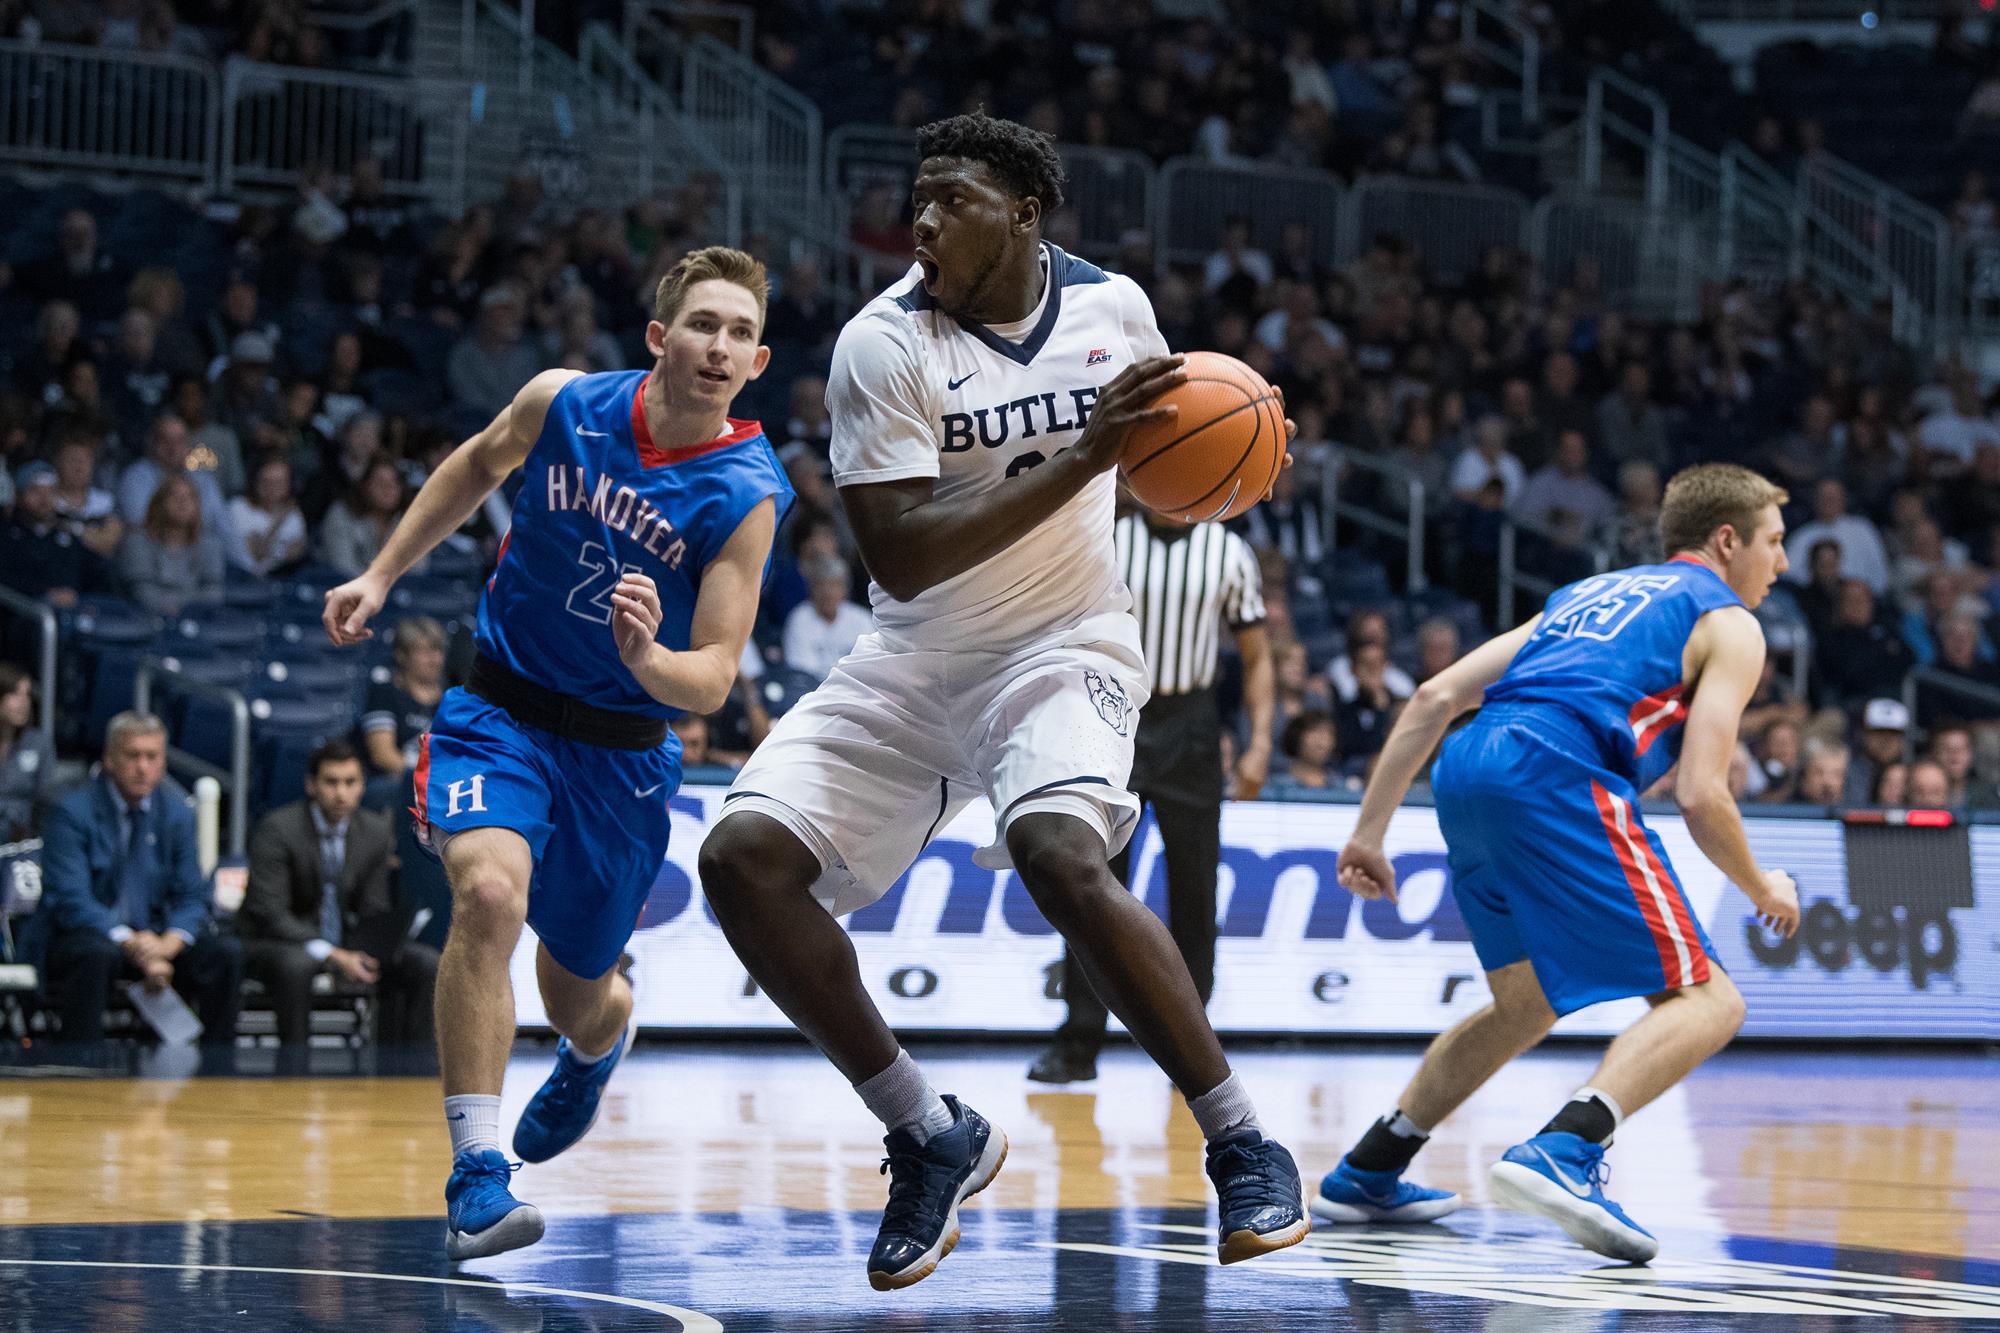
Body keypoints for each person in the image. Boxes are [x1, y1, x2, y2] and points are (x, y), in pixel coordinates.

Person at [697, 113, 1309, 1290]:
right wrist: (1082, 457)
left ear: (1023, 213)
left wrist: (1238, 444)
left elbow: (1172, 451)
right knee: (739, 860)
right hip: (916, 653)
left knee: (1054, 851)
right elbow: (902, 558)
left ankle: (1238, 1137)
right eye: (914, 198)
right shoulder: (882, 343)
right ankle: (928, 1130)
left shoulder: (1115, 311)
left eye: (950, 198)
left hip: (1062, 642)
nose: (921, 220)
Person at [323, 245, 790, 1262]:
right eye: (703, 325)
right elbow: (477, 460)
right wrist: (382, 573)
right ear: (660, 338)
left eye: (741, 333)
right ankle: (477, 1172)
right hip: (501, 709)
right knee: (487, 895)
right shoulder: (563, 403)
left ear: (757, 363)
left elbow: (711, 678)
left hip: (622, 755)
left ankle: (598, 1038)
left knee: (576, 988)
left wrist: (646, 656)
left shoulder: (746, 491)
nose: (720, 345)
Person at [1314, 463, 1801, 1264]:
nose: (1779, 563)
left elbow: (1436, 695)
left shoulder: (1586, 592)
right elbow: (1704, 794)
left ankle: (1370, 1166)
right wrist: (1761, 885)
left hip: (1467, 767)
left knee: (1526, 1000)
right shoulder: (1727, 620)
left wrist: (1369, 831)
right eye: (1774, 542)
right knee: (1710, 1000)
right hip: (1557, 767)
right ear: (1726, 539)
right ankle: (1565, 1150)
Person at [1028, 504, 1272, 1085]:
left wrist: (1260, 740)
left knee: (1196, 891)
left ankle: (1191, 1054)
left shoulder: (1229, 551)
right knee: (1091, 885)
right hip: (1114, 714)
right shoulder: (1107, 536)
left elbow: (1258, 656)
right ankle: (1079, 1042)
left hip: (1192, 725)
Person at [38, 712, 243, 1043]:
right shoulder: (71, 811)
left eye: (152, 757)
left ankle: (217, 1071)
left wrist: (168, 945)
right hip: (90, 934)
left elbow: (192, 895)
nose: (143, 767)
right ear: (109, 758)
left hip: (157, 937)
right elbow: (70, 898)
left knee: (224, 953)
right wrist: (133, 944)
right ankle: (81, 1064)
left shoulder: (178, 813)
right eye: (133, 755)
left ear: (163, 762)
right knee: (96, 955)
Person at [240, 741, 439, 1046]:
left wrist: (373, 947)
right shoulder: (278, 829)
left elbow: (373, 908)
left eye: (350, 782)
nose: (341, 793)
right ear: (311, 785)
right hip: (281, 942)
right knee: (297, 965)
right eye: (331, 782)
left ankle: (407, 1071)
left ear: (362, 786)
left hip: (346, 941)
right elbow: (270, 913)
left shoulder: (373, 832)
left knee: (424, 963)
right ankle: (294, 1068)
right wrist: (333, 955)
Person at [118, 474, 225, 616]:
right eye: (174, 496)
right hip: (149, 619)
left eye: (189, 497)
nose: (182, 502)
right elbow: (142, 592)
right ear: (159, 504)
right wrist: (172, 608)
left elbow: (213, 592)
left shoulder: (210, 544)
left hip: (198, 619)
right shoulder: (138, 542)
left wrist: (183, 608)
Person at [359, 616, 447, 784]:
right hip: (395, 784)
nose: (434, 660)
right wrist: (432, 779)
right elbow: (383, 756)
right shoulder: (384, 693)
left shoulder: (452, 698)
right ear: (402, 655)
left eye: (438, 651)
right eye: (424, 652)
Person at [779, 554, 872, 679]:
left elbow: (870, 665)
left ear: (845, 588)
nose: (828, 592)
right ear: (811, 588)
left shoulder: (861, 618)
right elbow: (802, 671)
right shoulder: (799, 619)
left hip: (856, 690)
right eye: (821, 584)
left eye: (834, 585)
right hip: (813, 692)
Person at [0, 664, 55, 839]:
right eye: (15, 693)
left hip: (23, 839)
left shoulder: (39, 743)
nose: (24, 702)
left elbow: (45, 797)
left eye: (27, 694)